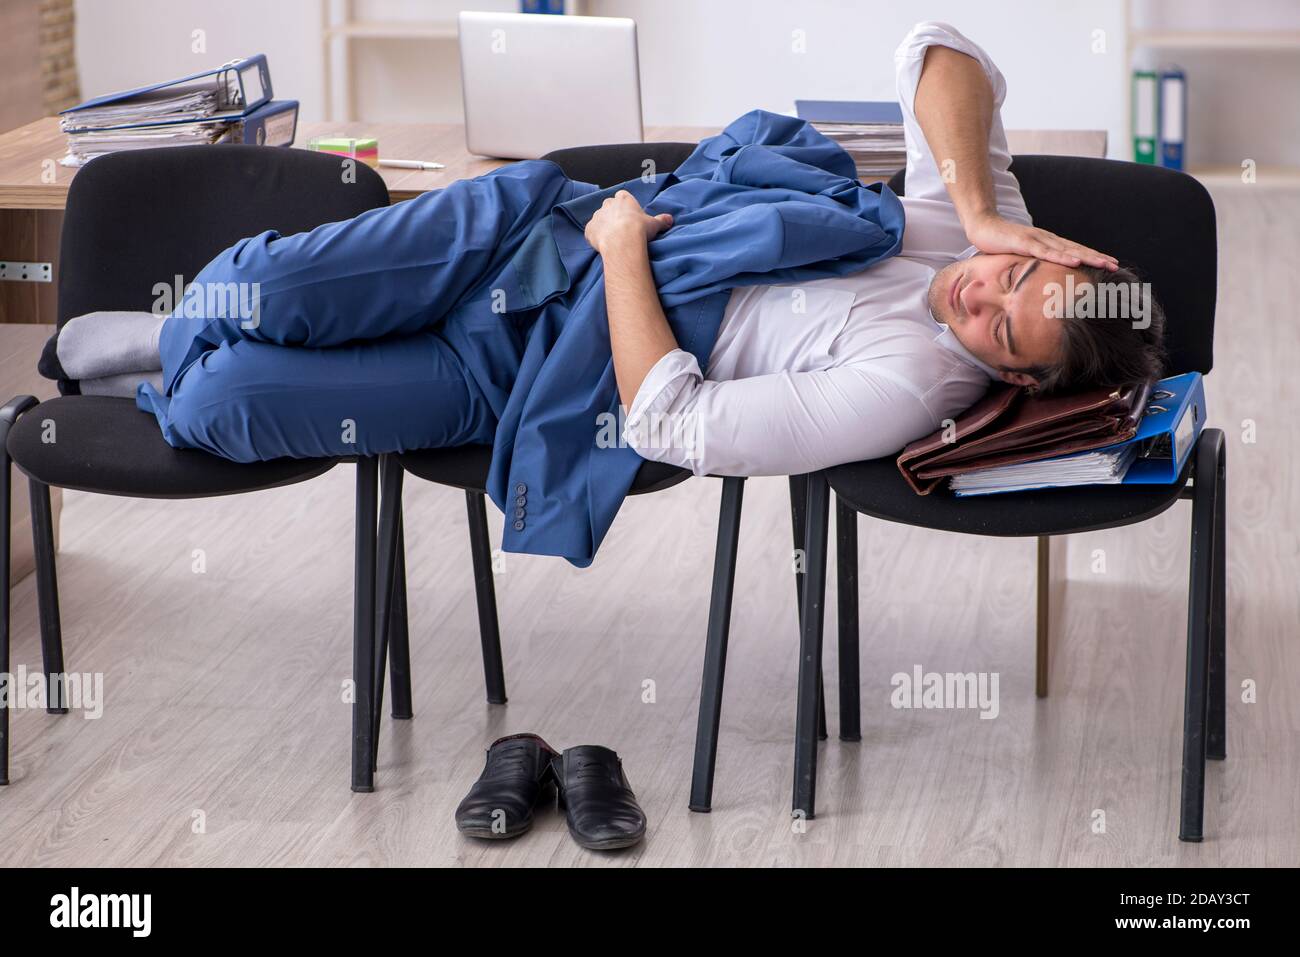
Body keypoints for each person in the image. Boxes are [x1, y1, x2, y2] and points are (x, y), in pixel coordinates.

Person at [43, 21, 1164, 488]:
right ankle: (159, 334)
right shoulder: (975, 232)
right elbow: (938, 40)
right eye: (1017, 271)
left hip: (531, 370)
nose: (981, 290)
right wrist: (974, 204)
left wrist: (626, 250)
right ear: (1056, 251)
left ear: (1012, 375)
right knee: (266, 281)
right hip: (520, 237)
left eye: (1000, 324)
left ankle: (160, 369)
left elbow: (671, 426)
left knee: (234, 403)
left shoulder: (906, 386)